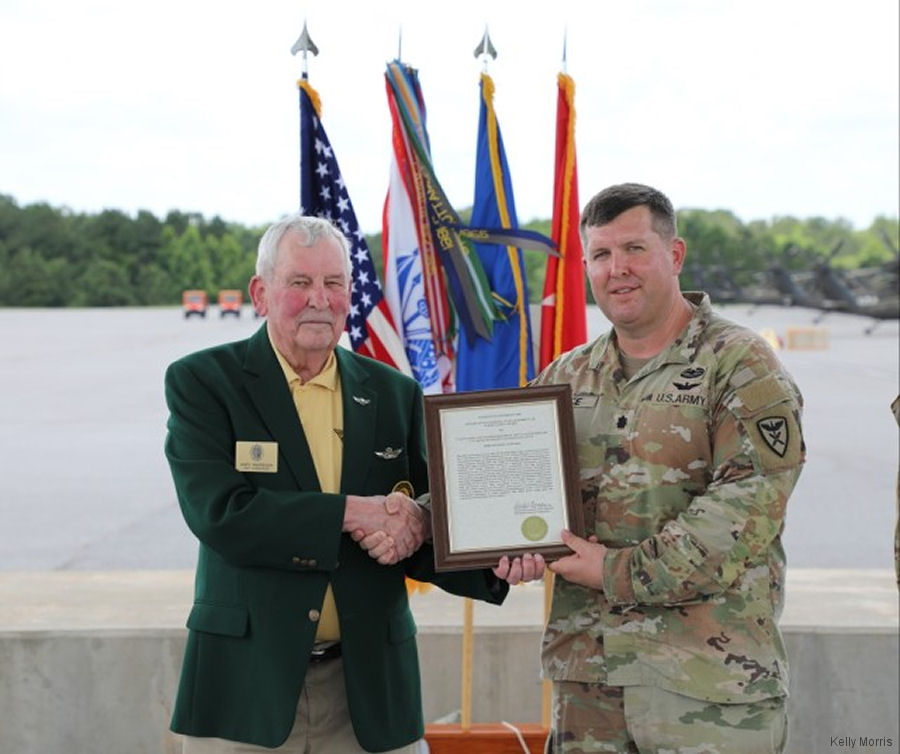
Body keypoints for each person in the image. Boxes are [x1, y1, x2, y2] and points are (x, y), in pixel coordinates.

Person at [164, 214, 508, 753]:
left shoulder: (394, 393)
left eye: (334, 283)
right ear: (261, 293)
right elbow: (222, 515)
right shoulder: (204, 383)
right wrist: (354, 512)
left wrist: (499, 552)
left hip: (368, 688)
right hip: (245, 685)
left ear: (351, 292)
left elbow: (419, 523)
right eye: (299, 283)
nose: (319, 299)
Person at [494, 183, 805, 753]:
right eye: (602, 255)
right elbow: (504, 476)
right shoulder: (567, 377)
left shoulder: (740, 365)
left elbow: (742, 513)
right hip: (588, 693)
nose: (619, 270)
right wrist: (417, 518)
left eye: (635, 249)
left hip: (707, 696)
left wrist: (612, 572)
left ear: (676, 255)